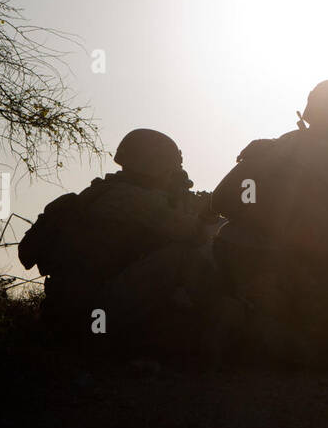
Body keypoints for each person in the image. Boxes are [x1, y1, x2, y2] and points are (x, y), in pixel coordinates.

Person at [210, 79, 328, 363]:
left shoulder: (277, 145)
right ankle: (252, 326)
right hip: (285, 264)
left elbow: (221, 199)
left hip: (235, 251)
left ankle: (245, 315)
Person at [17, 128, 220, 352]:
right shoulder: (133, 199)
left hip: (73, 310)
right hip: (93, 313)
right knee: (184, 256)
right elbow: (196, 235)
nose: (171, 175)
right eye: (170, 169)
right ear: (155, 165)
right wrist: (206, 212)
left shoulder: (101, 192)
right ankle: (225, 328)